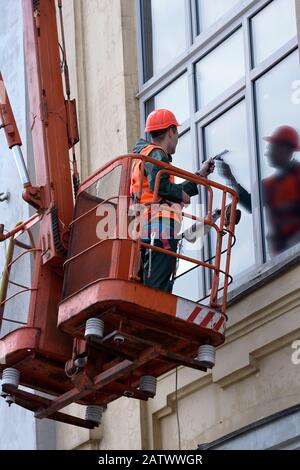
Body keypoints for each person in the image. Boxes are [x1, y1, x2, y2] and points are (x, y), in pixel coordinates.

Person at [131, 108, 215, 292]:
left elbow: (161, 193)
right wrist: (180, 195)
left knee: (156, 277)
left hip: (152, 226)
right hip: (159, 226)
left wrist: (200, 176)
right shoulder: (155, 154)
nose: (177, 138)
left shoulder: (147, 156)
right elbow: (160, 187)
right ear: (170, 131)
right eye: (176, 132)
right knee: (157, 287)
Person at [218, 126, 300, 254]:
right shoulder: (270, 185)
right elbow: (252, 204)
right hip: (280, 250)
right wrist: (231, 179)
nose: (267, 153)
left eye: (271, 148)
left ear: (284, 149)